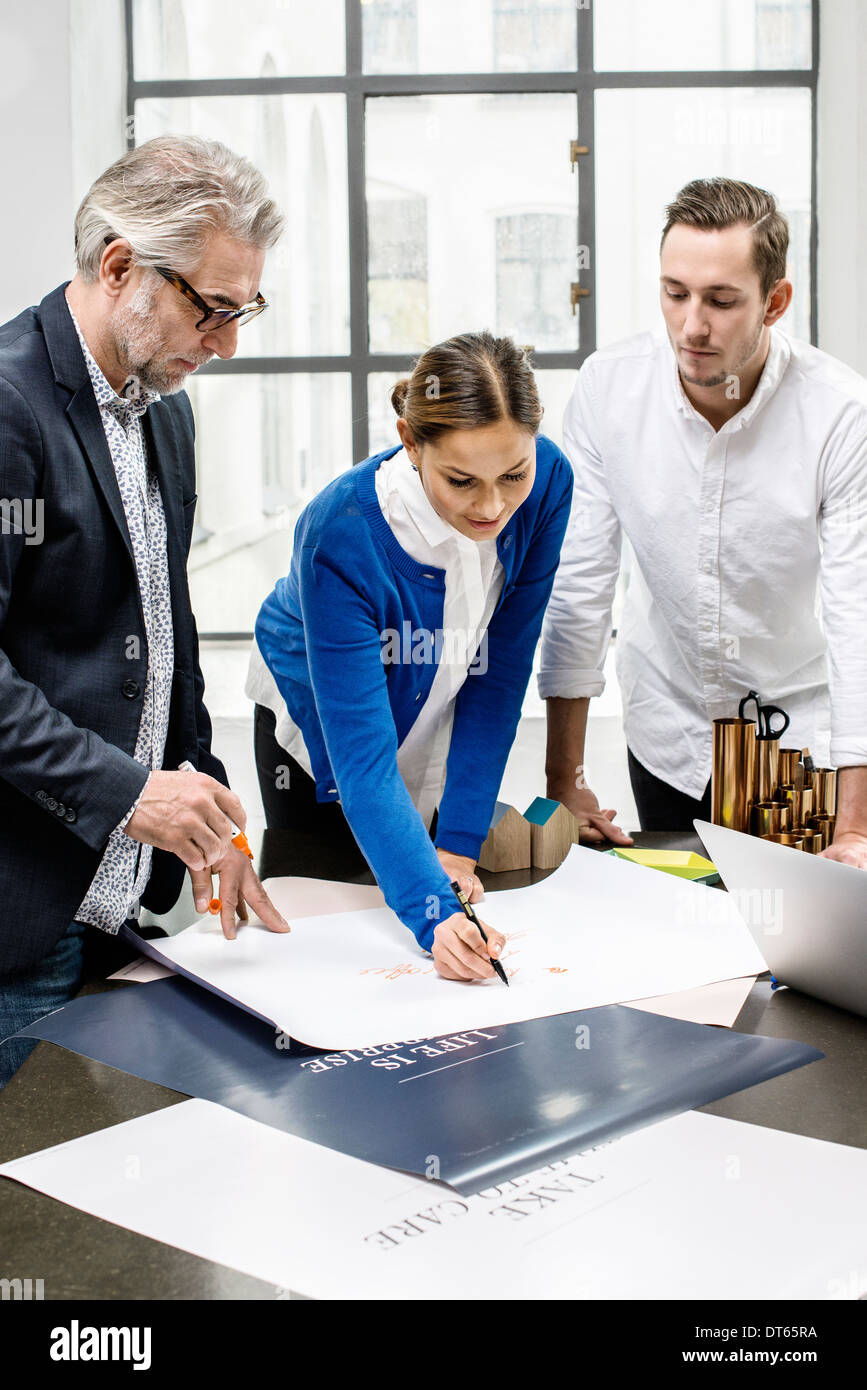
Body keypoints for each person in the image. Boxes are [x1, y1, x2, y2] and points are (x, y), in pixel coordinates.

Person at [0, 136, 290, 1089]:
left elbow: (163, 630)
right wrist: (131, 793)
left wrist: (205, 799)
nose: (227, 342)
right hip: (20, 907)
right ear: (120, 265)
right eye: (211, 307)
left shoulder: (166, 405)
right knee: (27, 1219)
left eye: (243, 309)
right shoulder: (8, 405)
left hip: (120, 895)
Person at [540, 177, 867, 868]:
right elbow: (580, 586)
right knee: (678, 941)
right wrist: (561, 778)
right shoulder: (609, 389)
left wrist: (855, 829)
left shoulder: (839, 414)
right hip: (669, 721)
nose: (692, 326)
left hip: (785, 736)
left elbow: (855, 618)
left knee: (787, 953)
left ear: (773, 302)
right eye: (674, 292)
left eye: (721, 301)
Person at [247, 332, 573, 980]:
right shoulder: (338, 533)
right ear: (410, 440)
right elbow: (363, 761)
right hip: (319, 737)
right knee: (325, 948)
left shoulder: (548, 484)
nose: (492, 506)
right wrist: (432, 914)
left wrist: (455, 847)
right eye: (461, 480)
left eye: (512, 474)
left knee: (426, 885)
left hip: (432, 695)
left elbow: (499, 672)